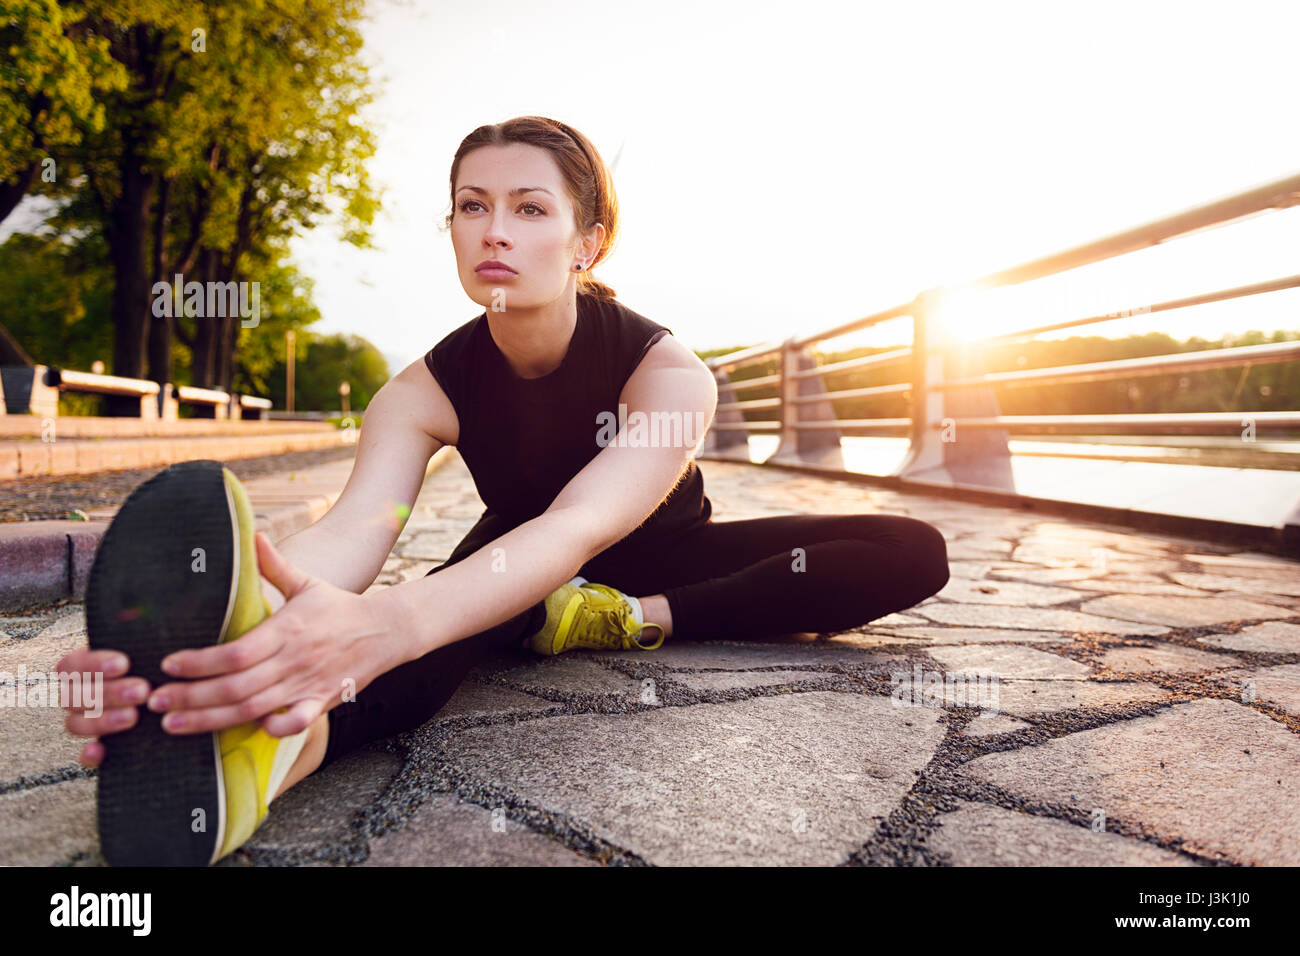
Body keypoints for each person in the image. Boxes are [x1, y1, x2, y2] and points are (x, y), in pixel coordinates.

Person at [59, 115, 950, 866]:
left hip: (661, 553)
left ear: (587, 240)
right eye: (472, 207)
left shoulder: (669, 371)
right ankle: (271, 752)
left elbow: (582, 524)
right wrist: (239, 612)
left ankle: (635, 617)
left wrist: (625, 613)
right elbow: (363, 526)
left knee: (913, 550)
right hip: (515, 564)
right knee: (439, 620)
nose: (495, 231)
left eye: (530, 209)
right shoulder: (422, 391)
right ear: (449, 229)